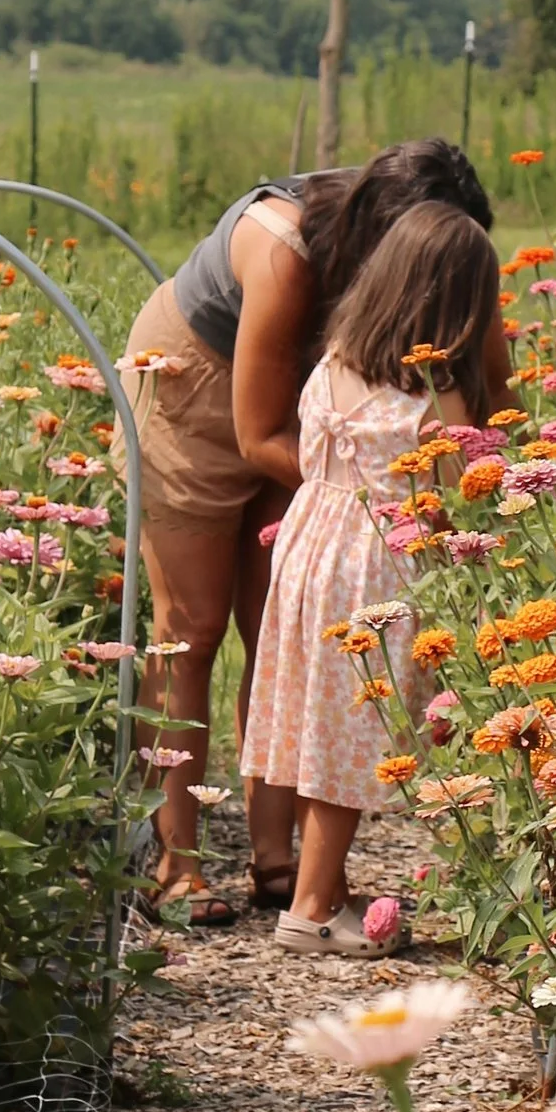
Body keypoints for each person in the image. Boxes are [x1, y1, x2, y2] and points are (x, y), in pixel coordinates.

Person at [120, 139, 500, 925]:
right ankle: (175, 861)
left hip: (325, 425)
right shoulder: (287, 248)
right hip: (195, 390)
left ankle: (279, 862)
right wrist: (382, 496)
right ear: (389, 239)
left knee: (288, 628)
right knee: (189, 631)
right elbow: (260, 435)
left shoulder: (416, 264)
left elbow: (491, 375)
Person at [239, 199, 503, 955]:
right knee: (359, 735)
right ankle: (315, 907)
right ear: (453, 306)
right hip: (377, 565)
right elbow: (455, 497)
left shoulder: (331, 368)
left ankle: (330, 888)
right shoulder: (431, 399)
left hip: (309, 548)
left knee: (321, 726)